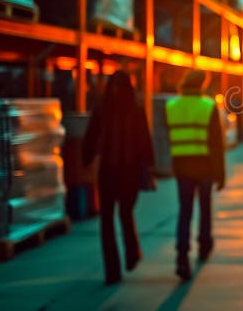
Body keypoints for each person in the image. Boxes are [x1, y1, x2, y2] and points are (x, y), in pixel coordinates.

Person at [82, 71, 156, 285]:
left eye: (118, 86)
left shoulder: (111, 108)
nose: (115, 91)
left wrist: (87, 157)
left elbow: (143, 139)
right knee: (114, 218)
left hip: (120, 171)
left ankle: (125, 259)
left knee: (118, 216)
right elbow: (92, 135)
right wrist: (86, 158)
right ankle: (120, 264)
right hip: (117, 171)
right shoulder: (124, 109)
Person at [165, 69, 226, 280]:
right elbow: (217, 144)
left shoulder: (172, 106)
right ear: (202, 84)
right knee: (204, 207)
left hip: (182, 167)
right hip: (205, 166)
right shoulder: (208, 106)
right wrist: (220, 174)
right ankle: (204, 244)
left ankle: (182, 255)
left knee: (185, 210)